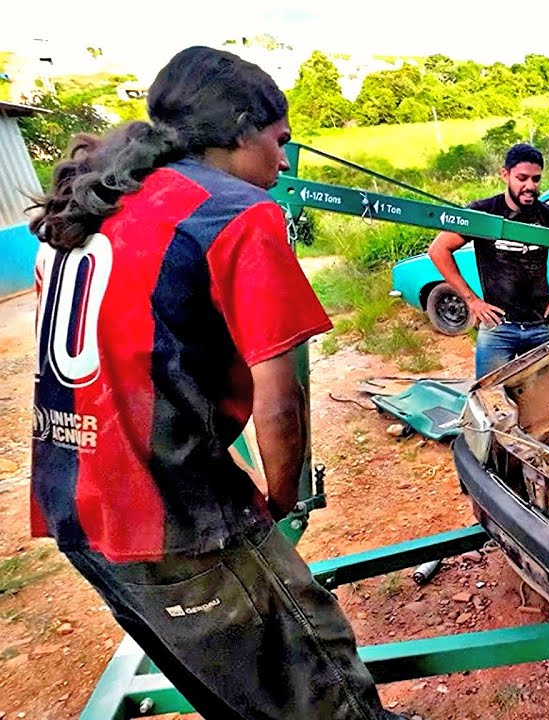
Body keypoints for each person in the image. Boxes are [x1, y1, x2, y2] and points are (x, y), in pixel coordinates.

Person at [26, 46, 404, 720]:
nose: (284, 162)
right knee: (324, 692)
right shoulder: (233, 212)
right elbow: (279, 397)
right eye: (279, 141)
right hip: (178, 515)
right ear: (239, 127)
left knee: (237, 700)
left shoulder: (93, 204)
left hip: (76, 510)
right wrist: (279, 504)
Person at [427, 143, 549, 378]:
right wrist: (471, 300)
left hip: (541, 327)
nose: (529, 186)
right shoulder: (484, 213)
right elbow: (438, 250)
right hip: (498, 329)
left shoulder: (547, 215)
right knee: (490, 398)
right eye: (522, 178)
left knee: (546, 401)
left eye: (536, 179)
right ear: (505, 174)